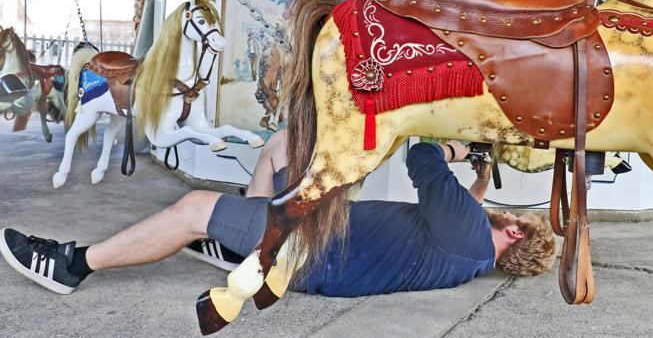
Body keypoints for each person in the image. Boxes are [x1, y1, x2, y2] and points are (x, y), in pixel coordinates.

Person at [1, 133, 555, 297]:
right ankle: (232, 238)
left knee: (193, 205)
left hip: (309, 251)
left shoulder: (467, 232)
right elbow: (469, 207)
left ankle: (73, 265)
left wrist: (460, 151)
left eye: (513, 214)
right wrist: (483, 174)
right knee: (279, 150)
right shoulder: (470, 253)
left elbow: (423, 157)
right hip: (322, 243)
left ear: (513, 230)